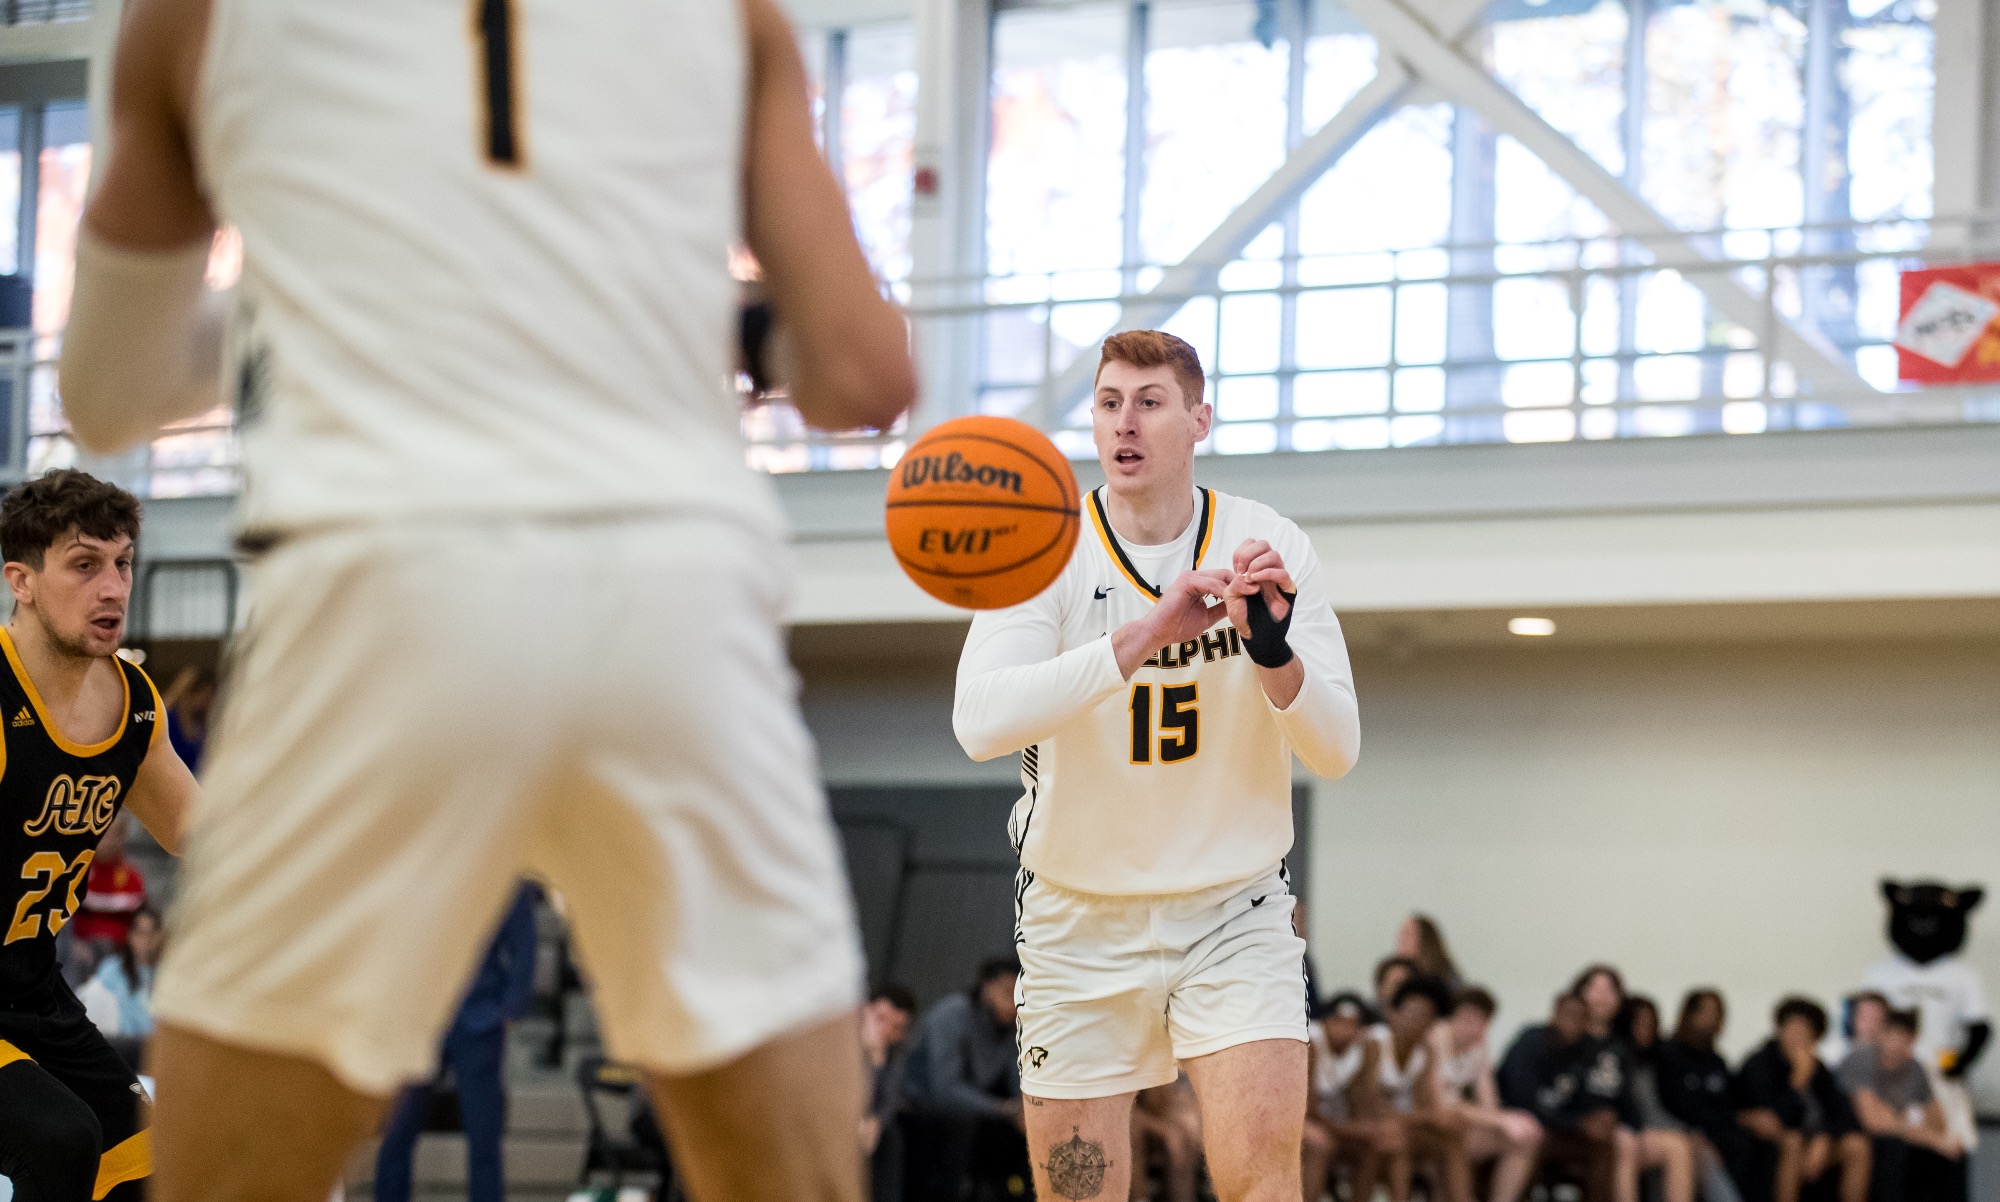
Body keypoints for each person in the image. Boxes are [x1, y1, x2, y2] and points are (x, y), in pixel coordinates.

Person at [62, 0, 917, 1194]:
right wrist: (706, 320)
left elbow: (110, 387)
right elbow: (864, 370)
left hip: (383, 591)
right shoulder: (736, 17)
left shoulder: (192, 17)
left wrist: (334, 304)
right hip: (669, 605)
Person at [953, 329, 1361, 1202]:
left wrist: (1273, 652)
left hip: (1233, 911)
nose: (1123, 423)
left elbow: (1337, 749)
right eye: (1107, 404)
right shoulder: (1046, 550)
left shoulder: (1266, 540)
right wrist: (1142, 637)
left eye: (1148, 402)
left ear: (1198, 419)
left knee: (1263, 1182)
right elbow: (978, 721)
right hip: (1077, 920)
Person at [0, 470, 195, 1200]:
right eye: (84, 565)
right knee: (60, 1140)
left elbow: (199, 837)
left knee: (146, 1164)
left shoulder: (134, 703)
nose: (113, 587)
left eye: (123, 563)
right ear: (21, 580)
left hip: (33, 988)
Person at [371, 883, 540, 1202]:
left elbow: (525, 938)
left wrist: (511, 1008)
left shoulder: (503, 863)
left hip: (479, 1019)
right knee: (397, 1134)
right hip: (417, 1020)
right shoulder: (418, 858)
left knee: (484, 1142)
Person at [902, 957, 1030, 1201]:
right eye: (1006, 990)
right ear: (986, 986)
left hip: (971, 1112)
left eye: (1021, 993)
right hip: (916, 1104)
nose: (1013, 1001)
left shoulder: (1012, 1029)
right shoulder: (954, 1013)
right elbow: (943, 1089)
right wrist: (1006, 1110)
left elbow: (1018, 1087)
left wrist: (1025, 1114)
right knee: (962, 1125)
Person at [1573, 966, 1695, 1202]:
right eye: (1595, 989)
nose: (1602, 996)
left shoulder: (1620, 1047)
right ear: (1580, 993)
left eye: (1610, 990)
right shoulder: (1570, 1038)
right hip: (1576, 1128)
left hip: (1620, 1128)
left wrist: (1638, 1127)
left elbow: (1628, 1099)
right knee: (1625, 1140)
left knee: (1677, 1145)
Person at [1734, 997, 1870, 1202]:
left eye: (1804, 1032)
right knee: (1793, 1141)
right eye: (1792, 1030)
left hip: (1814, 1143)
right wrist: (1798, 1081)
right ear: (1779, 1030)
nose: (1797, 1038)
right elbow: (1773, 1117)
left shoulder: (1818, 1068)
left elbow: (1842, 1112)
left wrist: (1824, 1137)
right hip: (1774, 1143)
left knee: (1857, 1145)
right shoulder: (1760, 1064)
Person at [1498, 994, 1622, 1202]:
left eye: (1581, 1016)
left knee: (1603, 1143)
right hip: (1524, 1123)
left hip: (1562, 1128)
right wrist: (1578, 1123)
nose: (1573, 1021)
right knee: (1535, 1134)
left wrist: (1599, 1115)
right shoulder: (1531, 1041)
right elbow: (1522, 1100)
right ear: (1554, 1015)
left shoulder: (1586, 1050)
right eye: (1568, 1014)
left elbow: (1586, 1096)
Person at [1622, 996, 1742, 1202]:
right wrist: (1690, 1132)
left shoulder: (1655, 1058)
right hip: (1639, 1133)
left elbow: (1727, 1109)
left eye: (1650, 1023)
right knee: (1681, 1147)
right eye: (1638, 1023)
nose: (1645, 1029)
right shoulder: (1666, 1056)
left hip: (1686, 1133)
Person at [1837, 1007, 1964, 1202]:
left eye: (1902, 1038)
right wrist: (1930, 1137)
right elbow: (1873, 1121)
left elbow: (1939, 1122)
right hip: (1850, 1131)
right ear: (1880, 1034)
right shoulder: (1861, 1058)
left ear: (1913, 1040)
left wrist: (1909, 1120)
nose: (1895, 1044)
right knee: (1894, 1147)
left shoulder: (1915, 1067)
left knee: (1952, 1155)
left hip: (1899, 1134)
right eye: (1890, 1036)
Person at [1367, 976, 1472, 1202]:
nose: (1417, 1021)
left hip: (1402, 1122)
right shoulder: (1374, 1043)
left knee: (1452, 1137)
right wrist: (1429, 1117)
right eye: (1412, 1012)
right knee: (1400, 1140)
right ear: (1392, 1013)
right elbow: (1367, 1102)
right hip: (1367, 1123)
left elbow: (1422, 1105)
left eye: (1426, 1016)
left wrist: (1435, 1118)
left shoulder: (1424, 1052)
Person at [1435, 987, 1542, 1202]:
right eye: (1466, 1019)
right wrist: (1501, 1120)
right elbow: (1442, 1104)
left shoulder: (1479, 1045)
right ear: (1452, 1016)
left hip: (1458, 1125)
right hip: (1428, 1128)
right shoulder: (1436, 1039)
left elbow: (1488, 1101)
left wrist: (1510, 1121)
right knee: (1453, 1135)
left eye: (1481, 1022)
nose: (1473, 1028)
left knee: (1526, 1137)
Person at [1307, 992, 1405, 1202]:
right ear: (1325, 1020)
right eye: (1338, 1021)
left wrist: (1376, 1128)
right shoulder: (1310, 1042)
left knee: (1375, 1146)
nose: (1344, 1029)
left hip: (1333, 1125)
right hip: (1301, 1123)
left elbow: (1362, 1103)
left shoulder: (1359, 1050)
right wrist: (1360, 1130)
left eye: (1352, 1024)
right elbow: (1309, 1109)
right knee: (1320, 1143)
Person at [1657, 990, 1749, 1202]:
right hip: (1685, 1134)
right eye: (1705, 1012)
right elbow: (1670, 1105)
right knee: (1699, 1151)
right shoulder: (1668, 1055)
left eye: (1717, 1013)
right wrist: (1696, 1133)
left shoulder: (1717, 1062)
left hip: (1724, 1138)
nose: (1711, 1020)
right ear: (1688, 1015)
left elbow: (1731, 1107)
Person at [860, 983, 918, 1202]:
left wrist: (876, 1122)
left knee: (891, 1137)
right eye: (880, 1018)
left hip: (867, 1121)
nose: (885, 1030)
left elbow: (888, 1099)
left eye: (896, 1026)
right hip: (834, 1115)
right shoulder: (842, 1039)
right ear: (865, 1010)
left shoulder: (895, 1049)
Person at [69, 812, 147, 955]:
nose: (110, 841)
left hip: (122, 954)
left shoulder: (133, 878)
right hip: (80, 952)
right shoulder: (76, 873)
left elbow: (141, 922)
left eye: (117, 834)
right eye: (105, 834)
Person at [160, 666, 215, 774]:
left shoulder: (200, 722)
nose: (208, 701)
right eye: (206, 695)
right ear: (191, 693)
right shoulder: (169, 719)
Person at [1395, 916, 1462, 994]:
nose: (1401, 941)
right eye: (1401, 935)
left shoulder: (1445, 976)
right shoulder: (1396, 975)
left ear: (1425, 940)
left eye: (1408, 935)